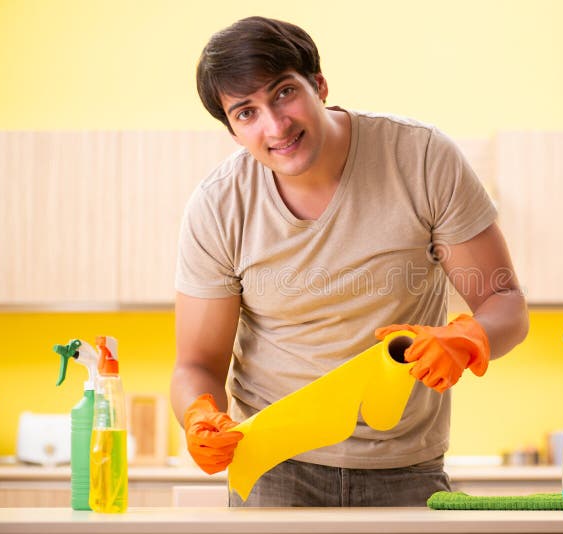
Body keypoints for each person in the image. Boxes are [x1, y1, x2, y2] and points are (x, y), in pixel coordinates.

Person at [171, 15, 529, 507]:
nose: (276, 126)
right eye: (246, 113)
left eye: (283, 93)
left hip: (407, 469)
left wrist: (470, 338)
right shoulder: (218, 205)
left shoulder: (422, 159)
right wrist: (197, 415)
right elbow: (195, 365)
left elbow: (505, 303)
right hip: (272, 469)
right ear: (233, 131)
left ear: (318, 85)